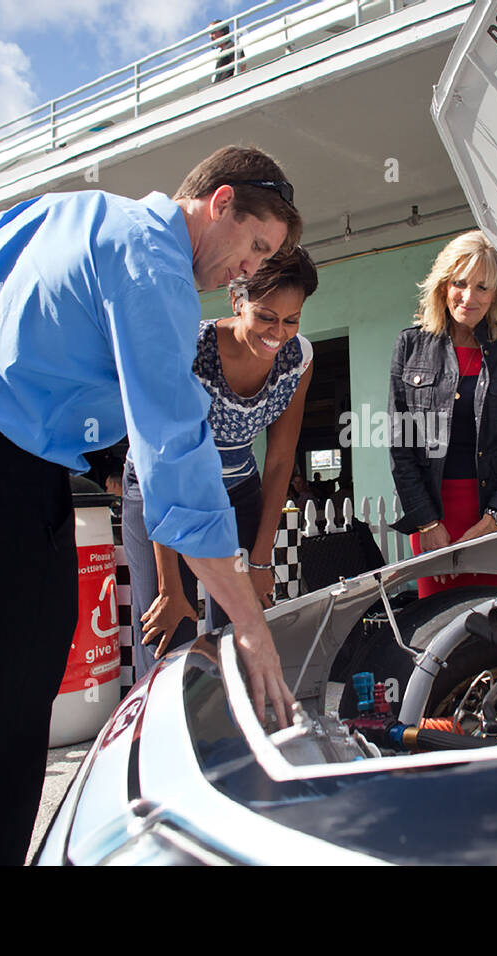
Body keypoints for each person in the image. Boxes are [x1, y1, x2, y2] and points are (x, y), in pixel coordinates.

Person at [0, 144, 302, 866]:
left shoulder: (70, 211)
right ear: (219, 201)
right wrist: (253, 626)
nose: (250, 271)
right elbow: (175, 453)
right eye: (255, 246)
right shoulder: (155, 267)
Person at [124, 245, 318, 681]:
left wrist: (261, 562)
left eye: (291, 320)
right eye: (266, 316)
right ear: (237, 301)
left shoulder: (298, 360)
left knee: (236, 629)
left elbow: (280, 459)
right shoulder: (189, 351)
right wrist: (171, 585)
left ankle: (228, 738)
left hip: (235, 490)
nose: (278, 333)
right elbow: (161, 457)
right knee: (170, 633)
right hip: (163, 491)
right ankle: (162, 740)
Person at [388, 230, 497, 598]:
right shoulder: (410, 346)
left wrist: (493, 522)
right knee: (440, 632)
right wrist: (428, 524)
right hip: (434, 523)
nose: (469, 297)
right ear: (443, 284)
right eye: (459, 283)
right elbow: (401, 446)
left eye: (482, 287)